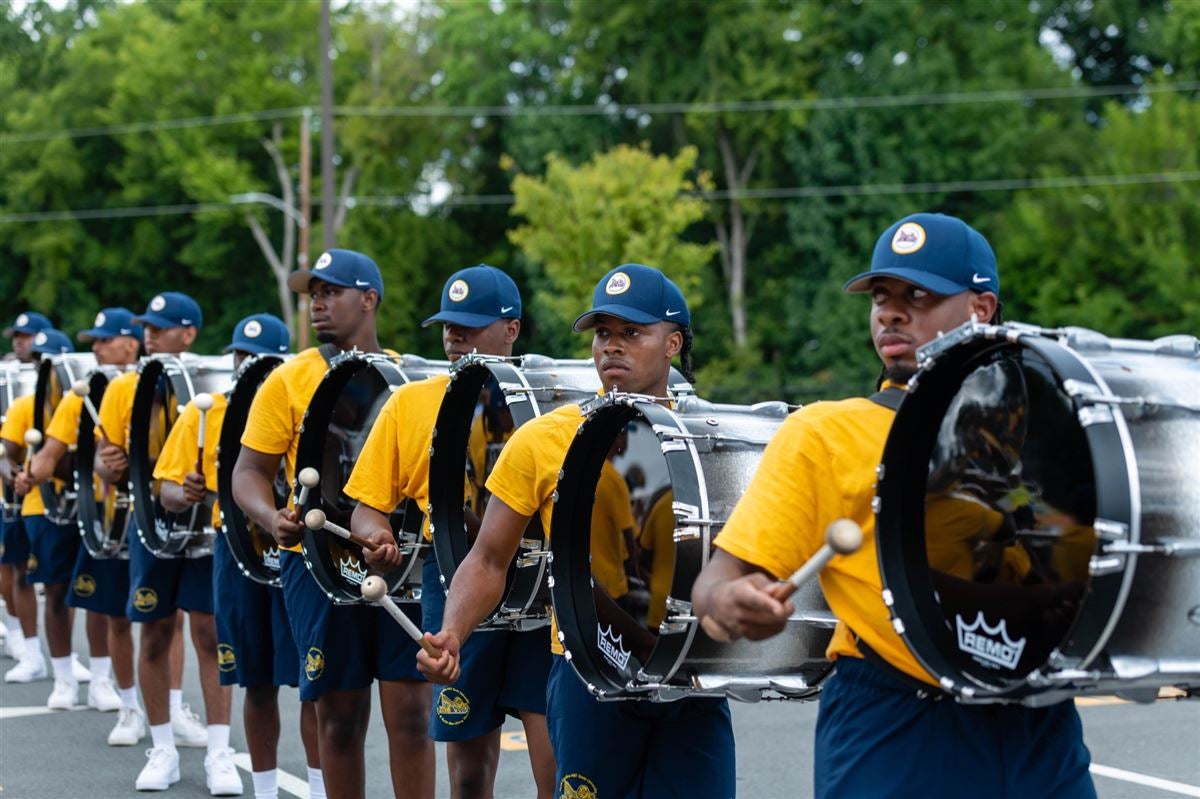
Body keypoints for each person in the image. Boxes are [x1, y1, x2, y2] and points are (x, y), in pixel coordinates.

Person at [692, 212, 1096, 798]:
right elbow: (714, 586)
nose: (891, 311)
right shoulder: (824, 432)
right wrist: (729, 602)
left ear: (980, 308)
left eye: (920, 295)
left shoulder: (1044, 425)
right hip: (898, 720)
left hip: (1037, 717)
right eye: (881, 296)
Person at [420, 264, 737, 799]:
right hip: (588, 669)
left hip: (689, 678)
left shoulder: (714, 440)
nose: (611, 347)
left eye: (631, 333)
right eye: (603, 334)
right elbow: (489, 558)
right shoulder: (543, 439)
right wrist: (454, 631)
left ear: (674, 344)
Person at [346, 265, 556, 798]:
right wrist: (378, 537)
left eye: (471, 324)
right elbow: (366, 507)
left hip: (546, 591)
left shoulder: (550, 405)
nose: (454, 336)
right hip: (458, 577)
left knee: (554, 762)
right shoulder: (410, 403)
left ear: (511, 330)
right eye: (447, 325)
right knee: (466, 771)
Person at [233, 249, 430, 799]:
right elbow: (247, 473)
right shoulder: (289, 379)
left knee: (413, 713)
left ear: (369, 300)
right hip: (316, 568)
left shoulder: (410, 378)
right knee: (339, 717)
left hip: (399, 562)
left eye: (331, 292)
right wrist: (273, 517)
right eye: (312, 294)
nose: (317, 303)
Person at [155, 313, 290, 796]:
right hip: (232, 548)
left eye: (259, 359)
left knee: (319, 684)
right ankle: (223, 758)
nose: (246, 364)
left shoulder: (301, 404)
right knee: (243, 666)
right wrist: (183, 491)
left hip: (295, 551)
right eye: (240, 356)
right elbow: (165, 488)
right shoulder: (207, 410)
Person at [93, 292, 216, 790]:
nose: (148, 334)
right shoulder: (125, 388)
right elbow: (102, 461)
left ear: (188, 334)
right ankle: (150, 733)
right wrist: (110, 465)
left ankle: (205, 734)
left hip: (202, 522)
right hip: (149, 522)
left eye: (161, 327)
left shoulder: (209, 384)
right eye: (146, 326)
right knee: (152, 625)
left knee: (207, 631)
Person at [20, 309, 143, 738]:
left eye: (105, 340)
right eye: (94, 341)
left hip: (121, 513)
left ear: (132, 343)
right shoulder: (79, 395)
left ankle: (103, 679)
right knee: (61, 592)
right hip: (75, 510)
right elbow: (50, 453)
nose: (96, 348)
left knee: (108, 606)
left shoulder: (152, 388)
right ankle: (64, 678)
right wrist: (29, 474)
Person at [4, 328, 95, 698]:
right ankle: (47, 663)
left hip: (91, 509)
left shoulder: (86, 401)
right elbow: (8, 454)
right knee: (44, 584)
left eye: (50, 363)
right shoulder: (26, 406)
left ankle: (96, 674)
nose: (43, 369)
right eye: (38, 362)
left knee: (92, 593)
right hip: (41, 506)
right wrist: (19, 477)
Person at [0, 311, 52, 674]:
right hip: (16, 491)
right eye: (16, 335)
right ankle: (22, 640)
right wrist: (14, 474)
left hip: (58, 495)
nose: (20, 341)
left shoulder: (64, 377)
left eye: (27, 335)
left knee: (56, 582)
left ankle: (67, 662)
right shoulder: (6, 377)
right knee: (13, 565)